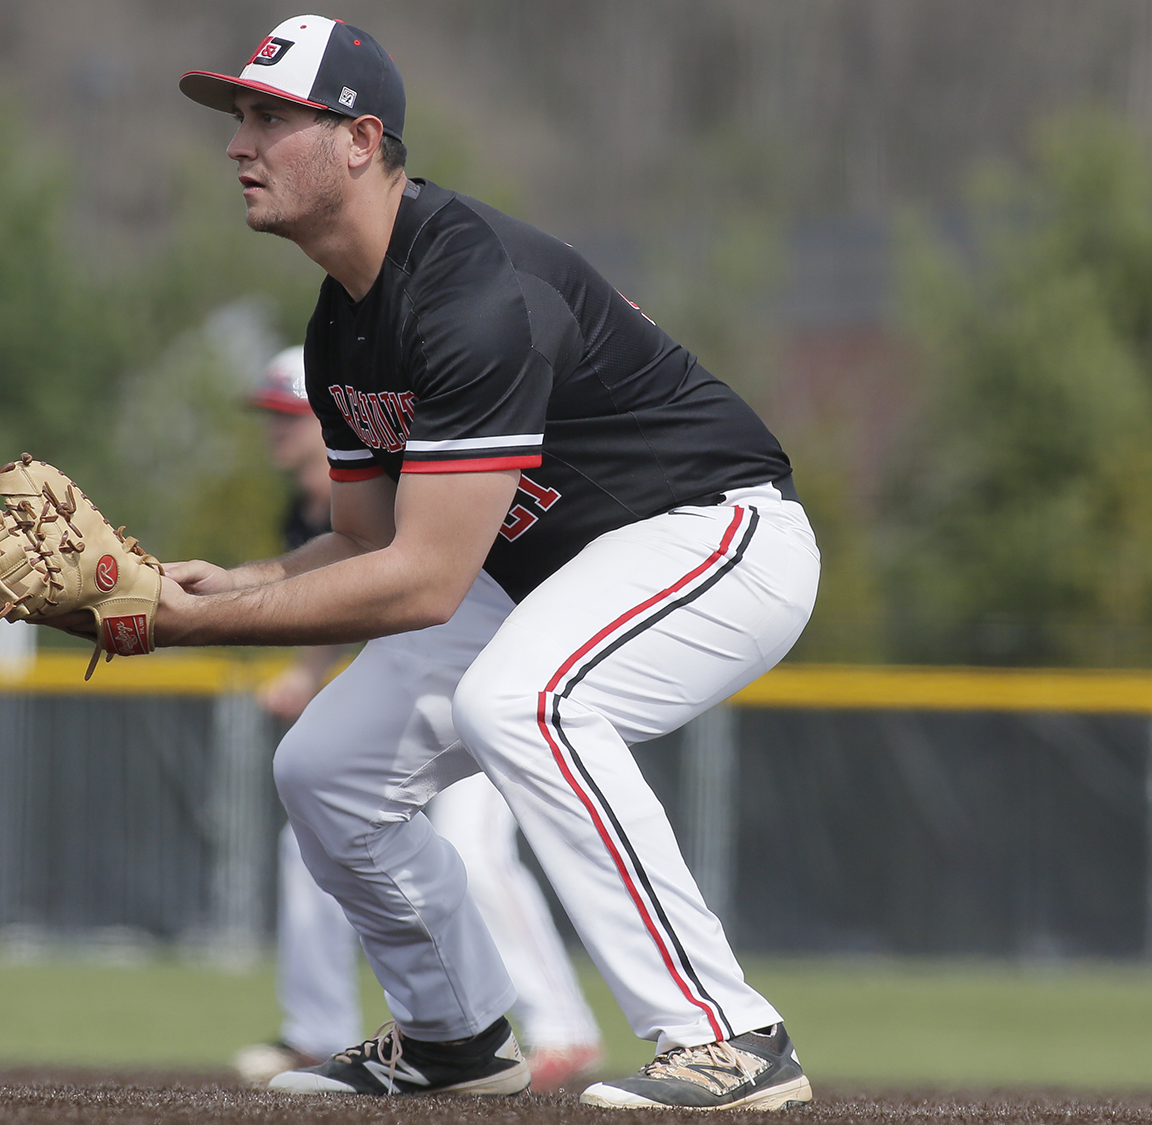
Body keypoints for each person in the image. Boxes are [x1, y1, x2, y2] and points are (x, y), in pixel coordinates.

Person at [143, 14, 818, 1110]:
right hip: (544, 572)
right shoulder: (342, 329)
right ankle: (451, 1034)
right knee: (325, 772)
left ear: (360, 140)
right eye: (239, 119)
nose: (237, 145)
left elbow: (421, 584)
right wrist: (233, 581)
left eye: (269, 117)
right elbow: (368, 545)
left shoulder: (471, 290)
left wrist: (184, 631)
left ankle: (728, 1035)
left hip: (713, 538)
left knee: (524, 702)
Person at [231, 346, 605, 1092]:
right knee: (313, 834)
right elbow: (341, 597)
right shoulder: (306, 511)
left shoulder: (399, 481)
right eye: (271, 415)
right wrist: (309, 675)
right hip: (418, 687)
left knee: (475, 846)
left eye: (287, 414)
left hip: (493, 672)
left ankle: (565, 1030)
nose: (276, 431)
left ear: (326, 416)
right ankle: (317, 1028)